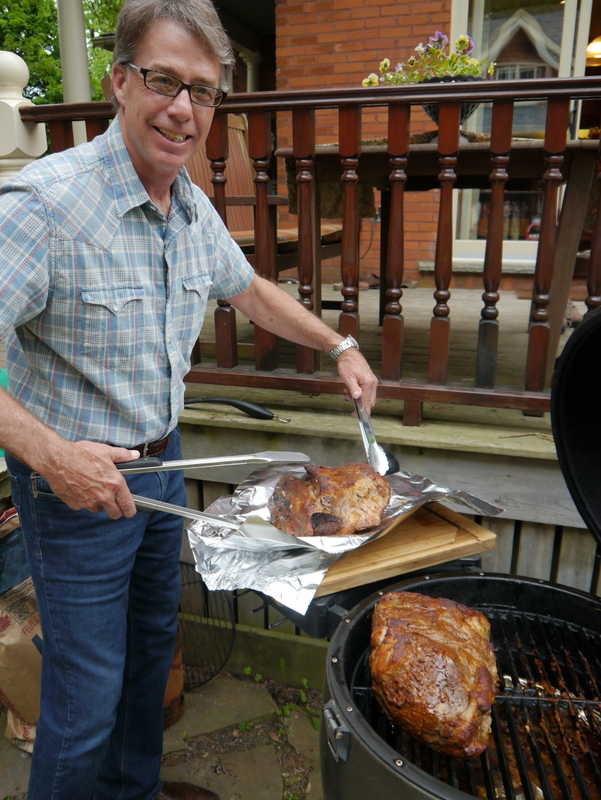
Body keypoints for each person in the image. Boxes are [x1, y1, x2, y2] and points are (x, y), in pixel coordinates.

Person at [0, 1, 377, 798]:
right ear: (119, 83)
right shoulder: (47, 204)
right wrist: (51, 456)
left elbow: (247, 287)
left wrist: (336, 344)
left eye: (201, 91)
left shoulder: (188, 202)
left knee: (148, 664)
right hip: (77, 486)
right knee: (86, 697)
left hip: (160, 465)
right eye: (164, 81)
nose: (182, 108)